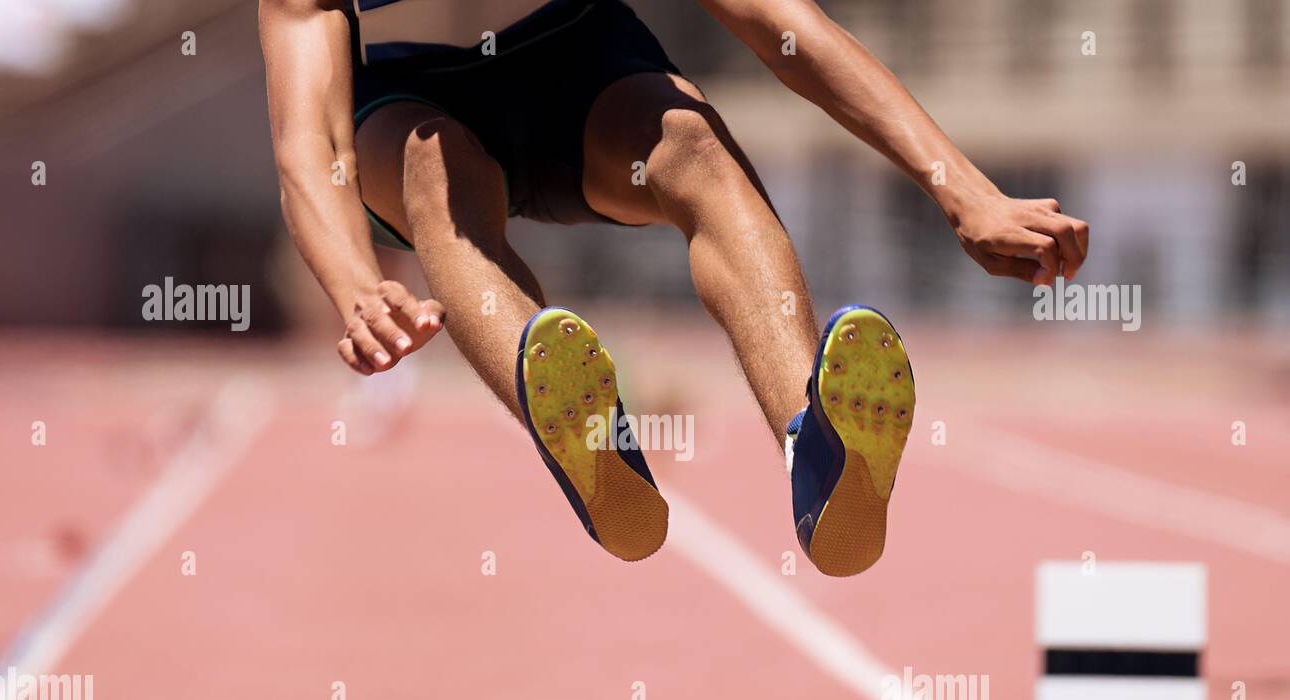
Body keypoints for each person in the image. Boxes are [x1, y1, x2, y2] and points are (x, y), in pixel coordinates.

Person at [258, 0, 1088, 573]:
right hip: (407, 94)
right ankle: (581, 434)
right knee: (439, 172)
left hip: (573, 56)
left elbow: (783, 23)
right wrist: (357, 286)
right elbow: (310, 140)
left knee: (692, 144)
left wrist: (961, 187)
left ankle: (818, 449)